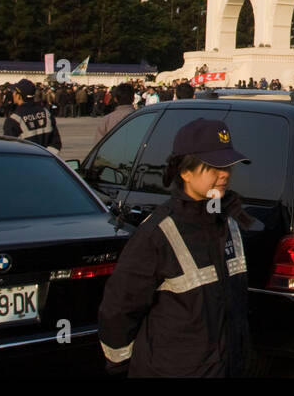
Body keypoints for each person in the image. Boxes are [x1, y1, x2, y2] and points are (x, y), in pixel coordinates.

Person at [99, 118, 254, 376]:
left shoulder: (230, 223)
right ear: (185, 171)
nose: (225, 173)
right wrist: (124, 365)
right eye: (214, 166)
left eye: (228, 165)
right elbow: (118, 310)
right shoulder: (158, 234)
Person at [2, 79, 63, 154]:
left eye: (14, 92)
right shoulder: (46, 113)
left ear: (19, 96)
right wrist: (46, 159)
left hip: (27, 164)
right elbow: (56, 144)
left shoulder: (13, 120)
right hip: (46, 162)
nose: (13, 94)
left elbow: (10, 150)